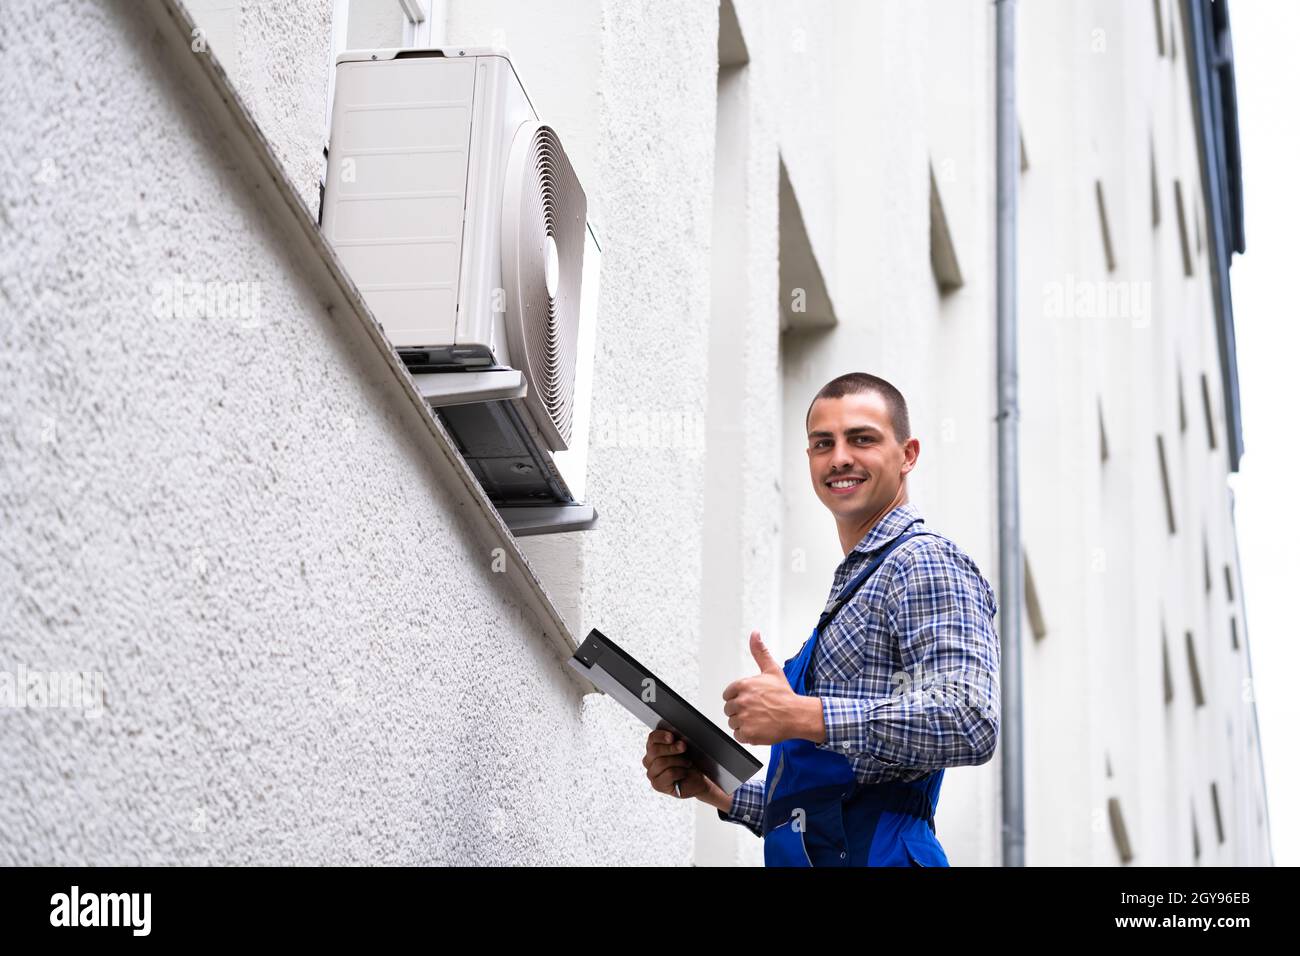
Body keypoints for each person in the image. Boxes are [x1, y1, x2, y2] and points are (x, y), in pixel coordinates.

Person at [642, 372, 1000, 866]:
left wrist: (803, 716)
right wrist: (716, 785)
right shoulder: (857, 583)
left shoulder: (921, 562)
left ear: (908, 454)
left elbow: (970, 718)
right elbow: (826, 804)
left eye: (862, 439)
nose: (839, 458)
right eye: (822, 443)